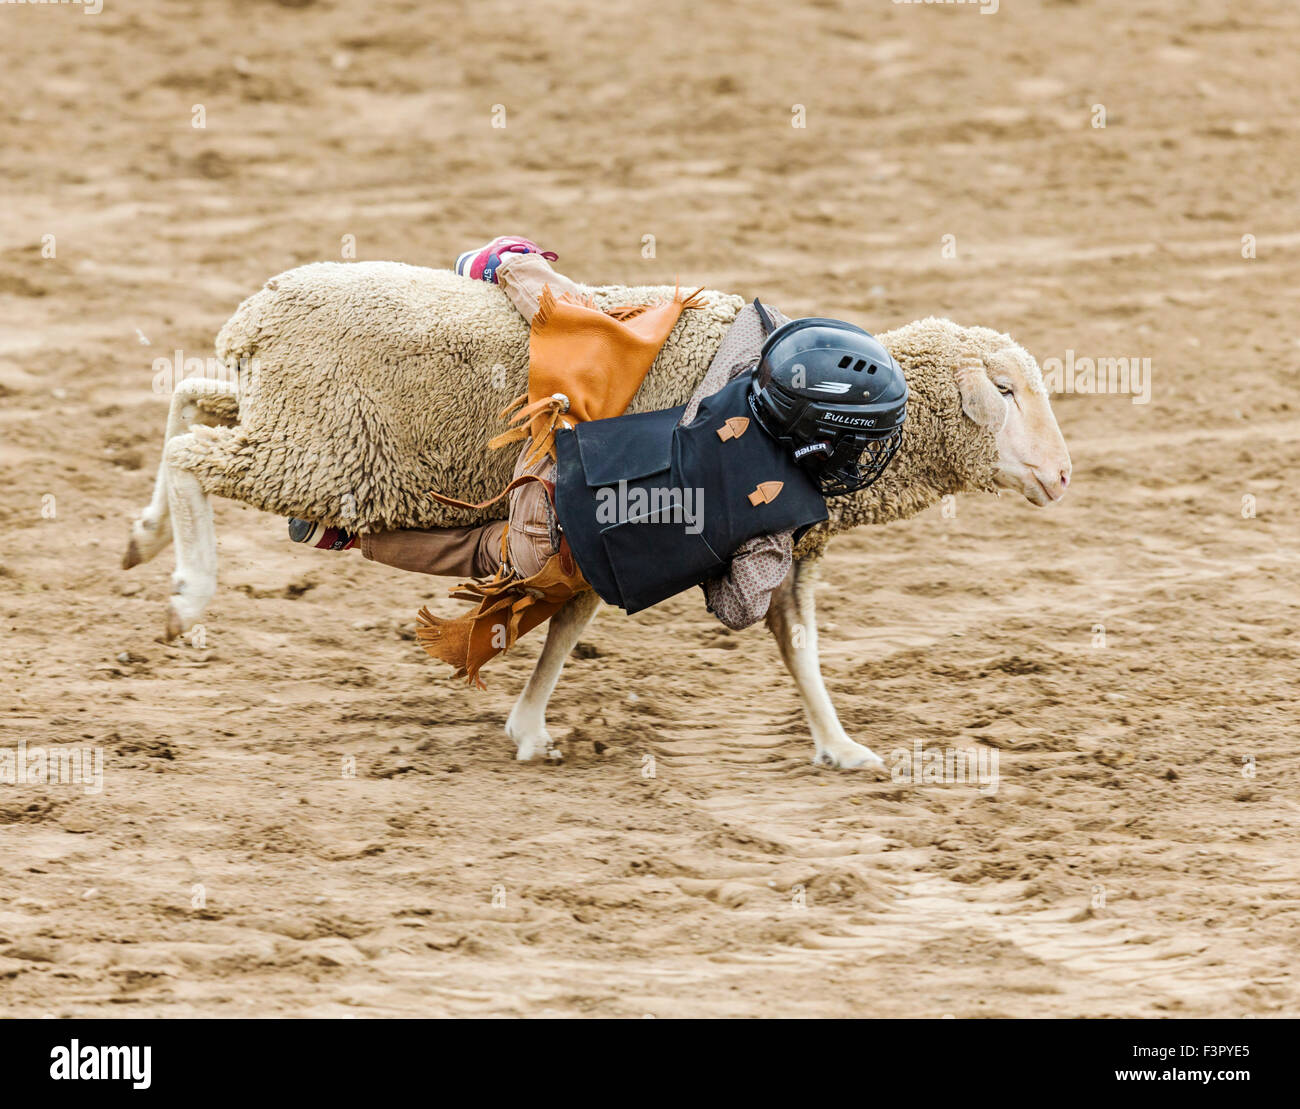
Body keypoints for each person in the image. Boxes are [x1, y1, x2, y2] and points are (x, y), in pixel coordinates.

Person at [289, 236, 908, 630]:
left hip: (565, 456)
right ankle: (344, 538)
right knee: (480, 550)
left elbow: (753, 326)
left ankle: (507, 265)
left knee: (595, 331)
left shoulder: (737, 380)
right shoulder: (778, 521)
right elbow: (737, 611)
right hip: (564, 545)